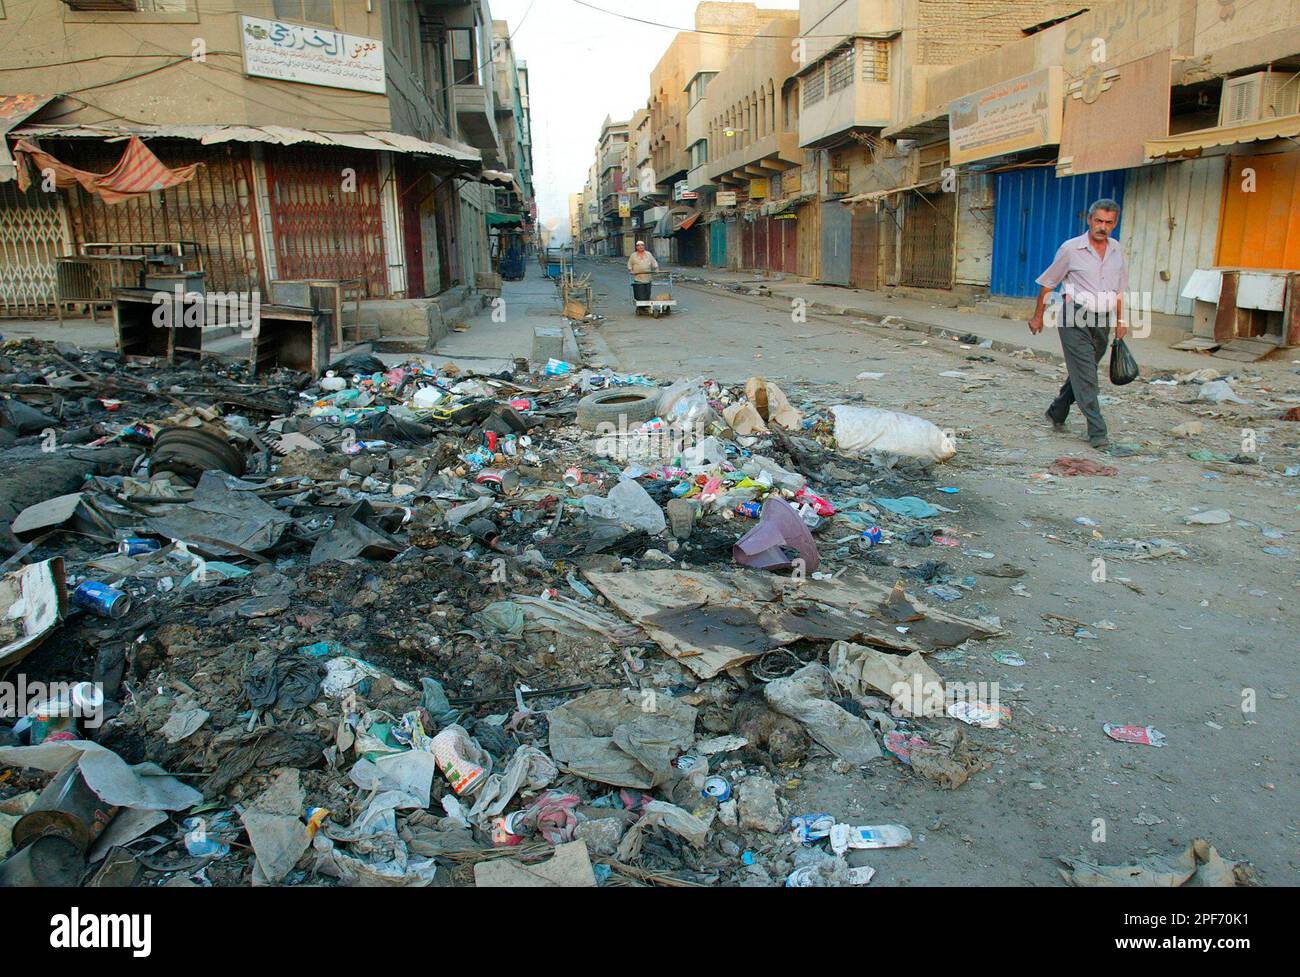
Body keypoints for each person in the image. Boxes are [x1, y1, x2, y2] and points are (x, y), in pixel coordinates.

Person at [1028, 198, 1129, 449]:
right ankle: (1098, 433)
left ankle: (1057, 411)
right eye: (1098, 221)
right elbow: (1048, 283)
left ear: (1114, 224)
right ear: (1089, 220)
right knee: (1087, 376)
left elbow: (1119, 289)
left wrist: (1121, 319)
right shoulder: (1071, 249)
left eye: (1108, 222)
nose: (1102, 227)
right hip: (1074, 316)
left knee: (1083, 370)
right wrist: (1038, 315)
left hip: (1103, 319)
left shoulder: (1117, 250)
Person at [627, 240, 659, 312]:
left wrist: (656, 268)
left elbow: (654, 262)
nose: (641, 247)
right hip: (638, 278)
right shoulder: (633, 255)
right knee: (640, 293)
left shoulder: (648, 254)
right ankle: (640, 307)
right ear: (636, 247)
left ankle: (646, 306)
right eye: (639, 245)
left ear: (644, 246)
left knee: (647, 292)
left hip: (647, 277)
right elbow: (629, 264)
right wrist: (630, 270)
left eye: (642, 245)